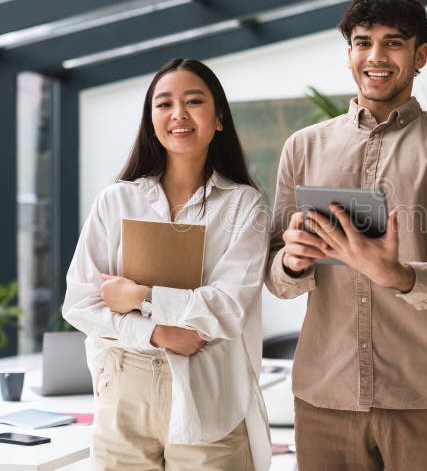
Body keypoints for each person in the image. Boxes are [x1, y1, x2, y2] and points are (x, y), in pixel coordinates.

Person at [265, 0, 427, 471]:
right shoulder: (303, 148)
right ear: (349, 53)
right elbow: (274, 275)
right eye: (362, 41)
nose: (376, 56)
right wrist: (290, 260)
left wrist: (401, 276)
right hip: (324, 399)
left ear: (421, 55)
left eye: (393, 42)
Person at [62, 58, 271, 471]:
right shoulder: (116, 200)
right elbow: (81, 303)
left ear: (219, 119)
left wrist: (140, 295)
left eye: (193, 101)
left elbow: (227, 310)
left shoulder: (245, 205)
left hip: (208, 391)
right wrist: (156, 331)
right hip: (124, 388)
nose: (178, 114)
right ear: (150, 119)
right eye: (164, 104)